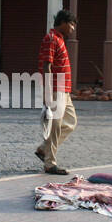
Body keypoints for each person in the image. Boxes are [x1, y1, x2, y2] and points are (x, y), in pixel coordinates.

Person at [35, 10, 77, 176]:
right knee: (55, 127)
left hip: (64, 90)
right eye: (71, 24)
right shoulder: (51, 39)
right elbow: (47, 66)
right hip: (55, 89)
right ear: (63, 23)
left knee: (71, 122)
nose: (73, 28)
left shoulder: (59, 39)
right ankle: (50, 164)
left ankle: (44, 149)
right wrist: (47, 92)